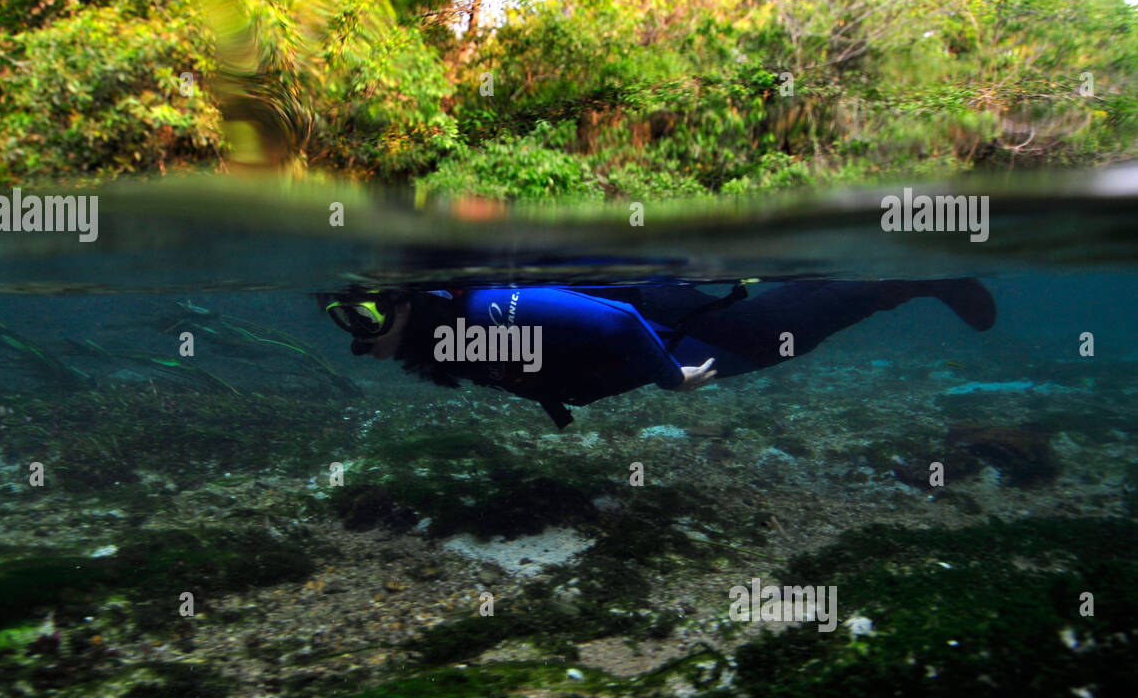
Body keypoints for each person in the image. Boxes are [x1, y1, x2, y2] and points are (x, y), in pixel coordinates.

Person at [320, 279, 996, 429]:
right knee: (804, 329)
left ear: (403, 300)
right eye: (341, 322)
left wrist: (668, 378)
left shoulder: (479, 310)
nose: (356, 336)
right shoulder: (447, 337)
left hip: (688, 336)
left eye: (361, 313)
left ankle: (926, 282)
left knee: (817, 319)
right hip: (679, 345)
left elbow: (615, 320)